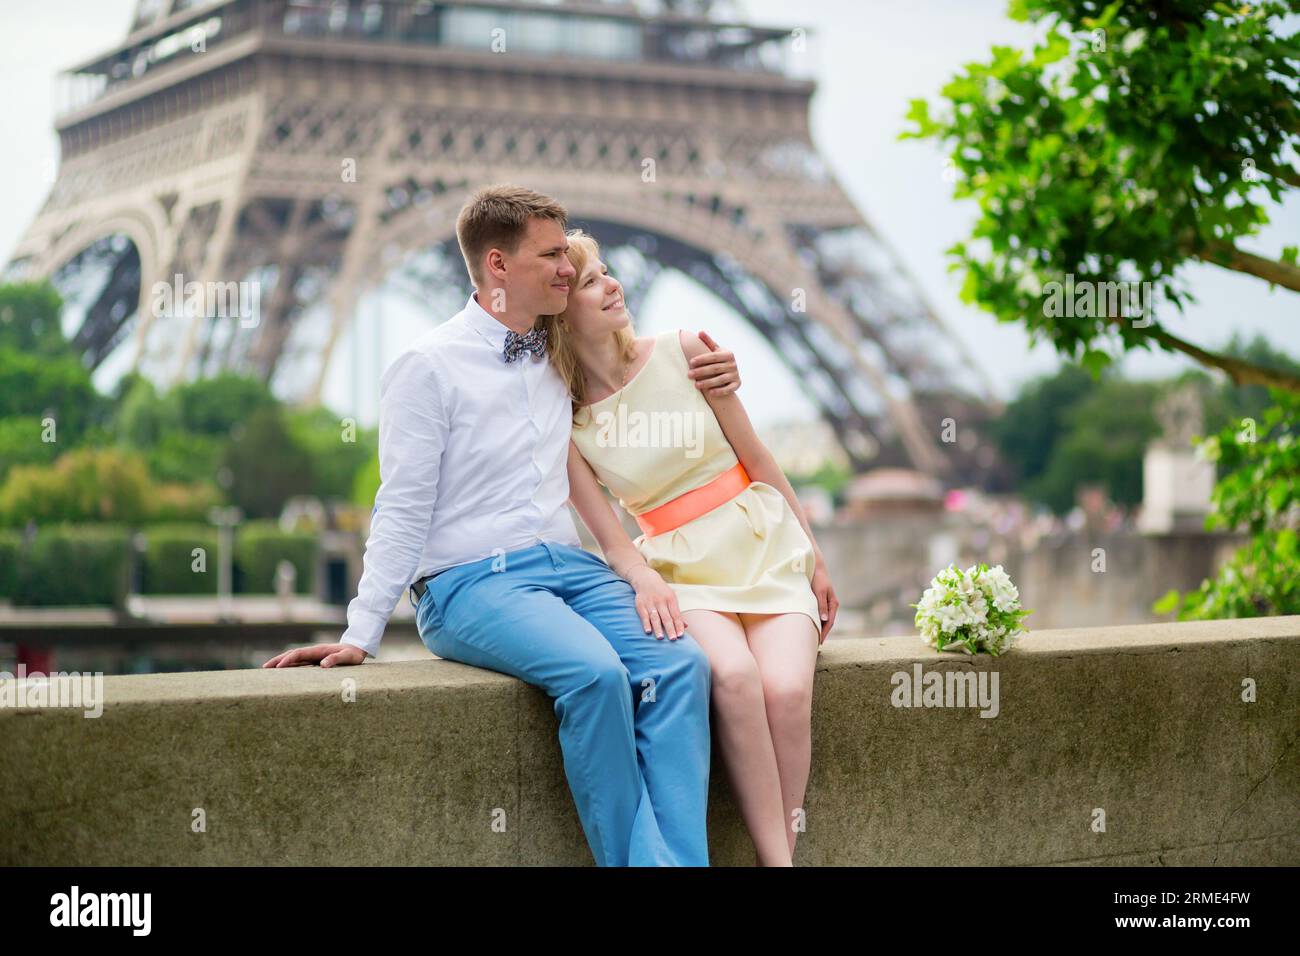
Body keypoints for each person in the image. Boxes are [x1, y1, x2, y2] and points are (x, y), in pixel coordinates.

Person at [263, 185, 744, 867]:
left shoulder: (559, 353)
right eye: (550, 255)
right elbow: (401, 506)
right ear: (497, 265)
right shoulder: (425, 367)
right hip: (469, 583)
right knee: (596, 678)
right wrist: (360, 632)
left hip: (570, 568)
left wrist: (712, 372)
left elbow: (633, 365)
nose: (568, 270)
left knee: (679, 665)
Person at [542, 228, 839, 867]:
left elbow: (758, 458)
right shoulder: (564, 423)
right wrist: (644, 580)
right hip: (679, 569)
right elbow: (609, 536)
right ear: (560, 310)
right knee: (730, 677)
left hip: (763, 543)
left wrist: (814, 557)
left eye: (606, 272)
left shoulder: (687, 350)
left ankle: (774, 860)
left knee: (786, 691)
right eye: (590, 281)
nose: (612, 284)